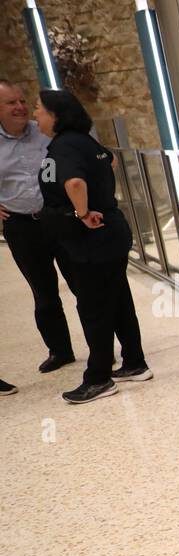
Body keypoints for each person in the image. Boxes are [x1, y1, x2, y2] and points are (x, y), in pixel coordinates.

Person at [32, 89, 150, 405]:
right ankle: (134, 361)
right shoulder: (86, 141)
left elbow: (73, 182)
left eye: (39, 109)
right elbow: (108, 161)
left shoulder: (64, 145)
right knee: (118, 298)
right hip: (111, 231)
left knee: (94, 307)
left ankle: (98, 378)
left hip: (93, 237)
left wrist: (83, 212)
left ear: (56, 115)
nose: (35, 115)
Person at [0, 79, 77, 373]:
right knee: (43, 292)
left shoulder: (46, 132)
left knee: (81, 282)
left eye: (22, 101)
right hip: (22, 227)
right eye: (11, 103)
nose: (20, 107)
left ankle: (102, 346)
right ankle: (60, 351)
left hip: (59, 218)